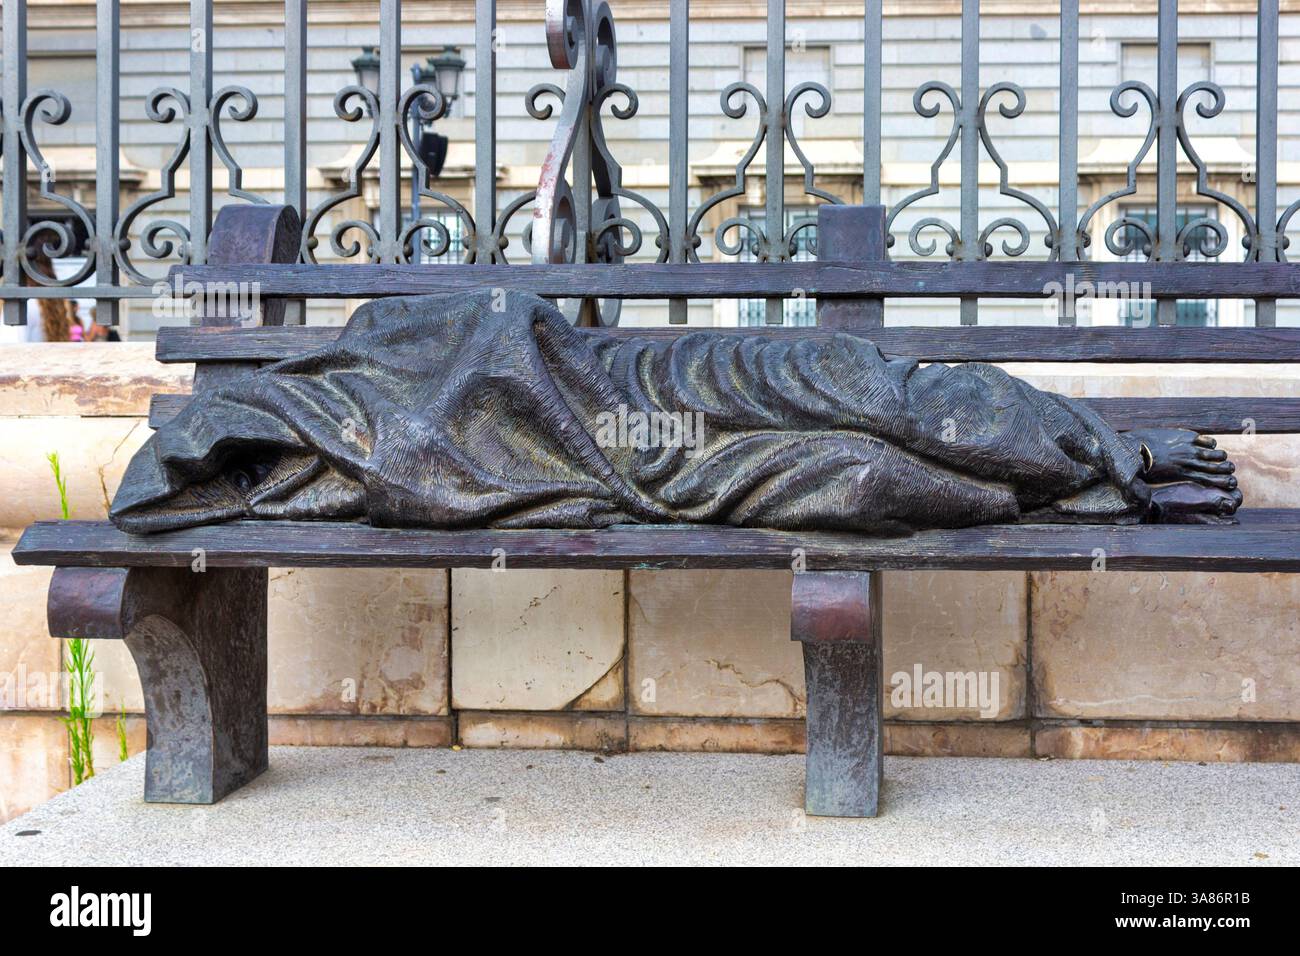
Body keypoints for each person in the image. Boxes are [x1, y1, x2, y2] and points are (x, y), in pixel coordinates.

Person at [108, 291, 1241, 535]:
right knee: (844, 477)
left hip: (658, 379)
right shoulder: (317, 467)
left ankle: (1106, 453)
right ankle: (1076, 485)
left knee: (866, 389)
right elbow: (436, 471)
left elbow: (502, 323)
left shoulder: (362, 347)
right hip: (630, 463)